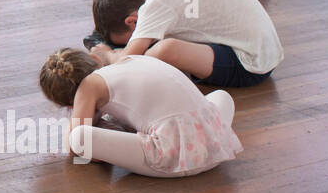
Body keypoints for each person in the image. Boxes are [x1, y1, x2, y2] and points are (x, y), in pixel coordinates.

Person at [39, 49, 243, 178]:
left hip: (176, 160)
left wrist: (80, 112)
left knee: (79, 137)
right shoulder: (132, 59)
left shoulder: (89, 85)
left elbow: (77, 149)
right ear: (94, 58)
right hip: (215, 146)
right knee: (221, 96)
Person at [90, 0, 283, 88]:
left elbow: (127, 62)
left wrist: (108, 55)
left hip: (251, 65)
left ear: (132, 21)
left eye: (128, 40)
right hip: (263, 49)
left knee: (165, 50)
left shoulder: (152, 8)